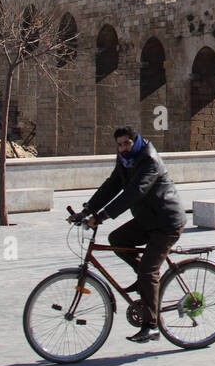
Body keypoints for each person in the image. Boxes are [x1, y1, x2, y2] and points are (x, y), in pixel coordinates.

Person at [76, 126, 187, 343]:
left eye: (126, 143)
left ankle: (151, 326)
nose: (123, 148)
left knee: (149, 270)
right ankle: (144, 280)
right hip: (147, 219)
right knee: (117, 240)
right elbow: (112, 186)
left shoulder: (149, 161)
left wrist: (102, 217)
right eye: (119, 144)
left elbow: (134, 192)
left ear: (135, 141)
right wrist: (88, 209)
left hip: (167, 222)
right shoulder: (125, 160)